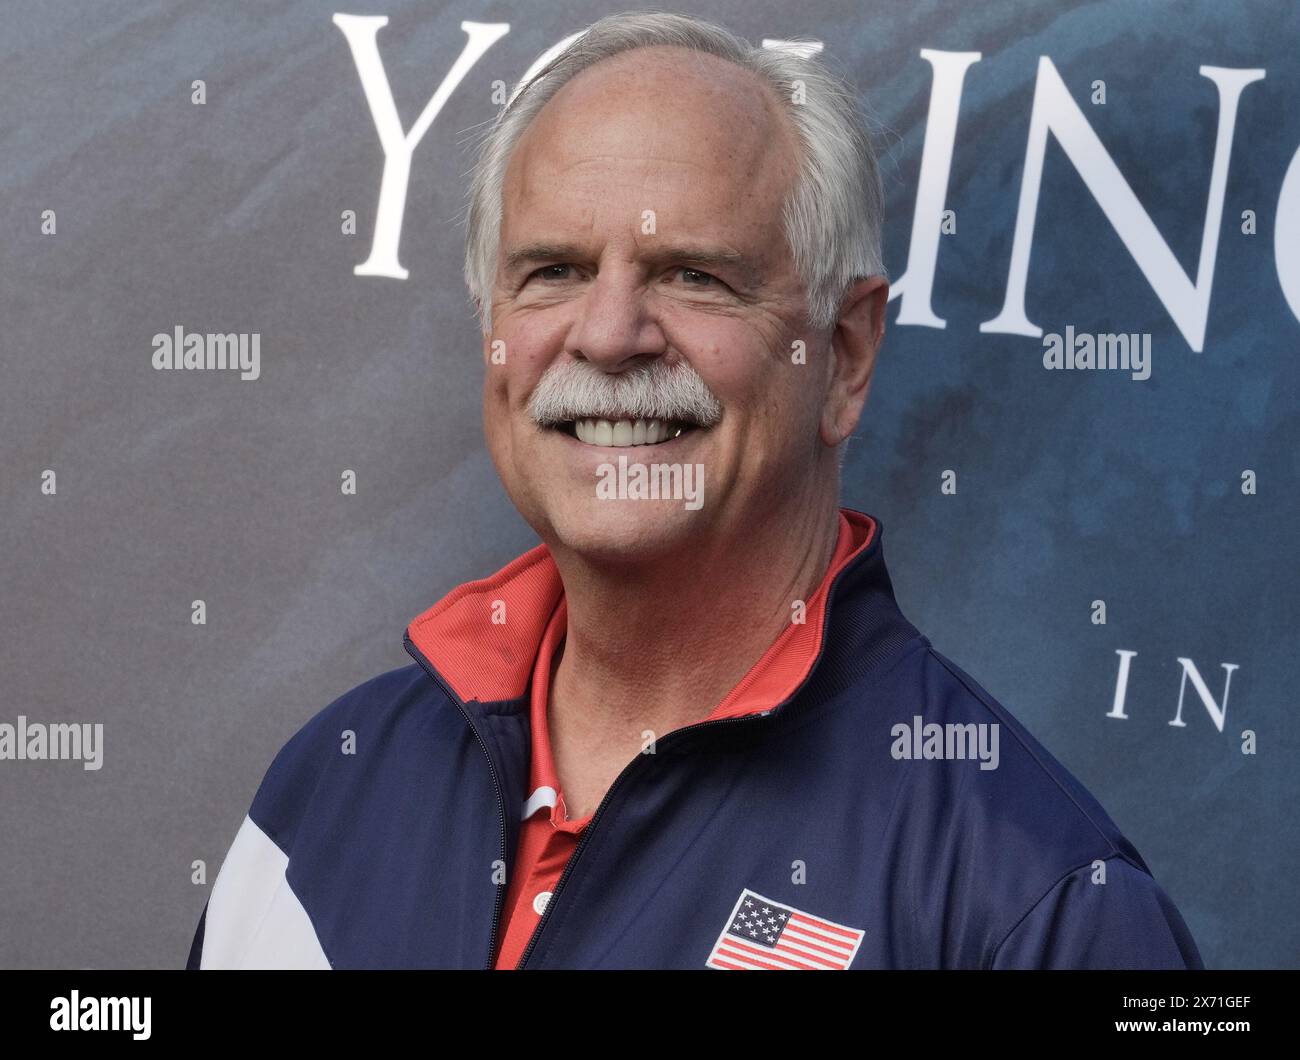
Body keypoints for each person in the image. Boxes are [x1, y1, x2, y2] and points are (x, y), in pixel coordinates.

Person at [187, 11, 1203, 970]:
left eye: (693, 276)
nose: (607, 334)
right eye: (553, 270)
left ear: (843, 354)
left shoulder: (1034, 902)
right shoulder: (327, 789)